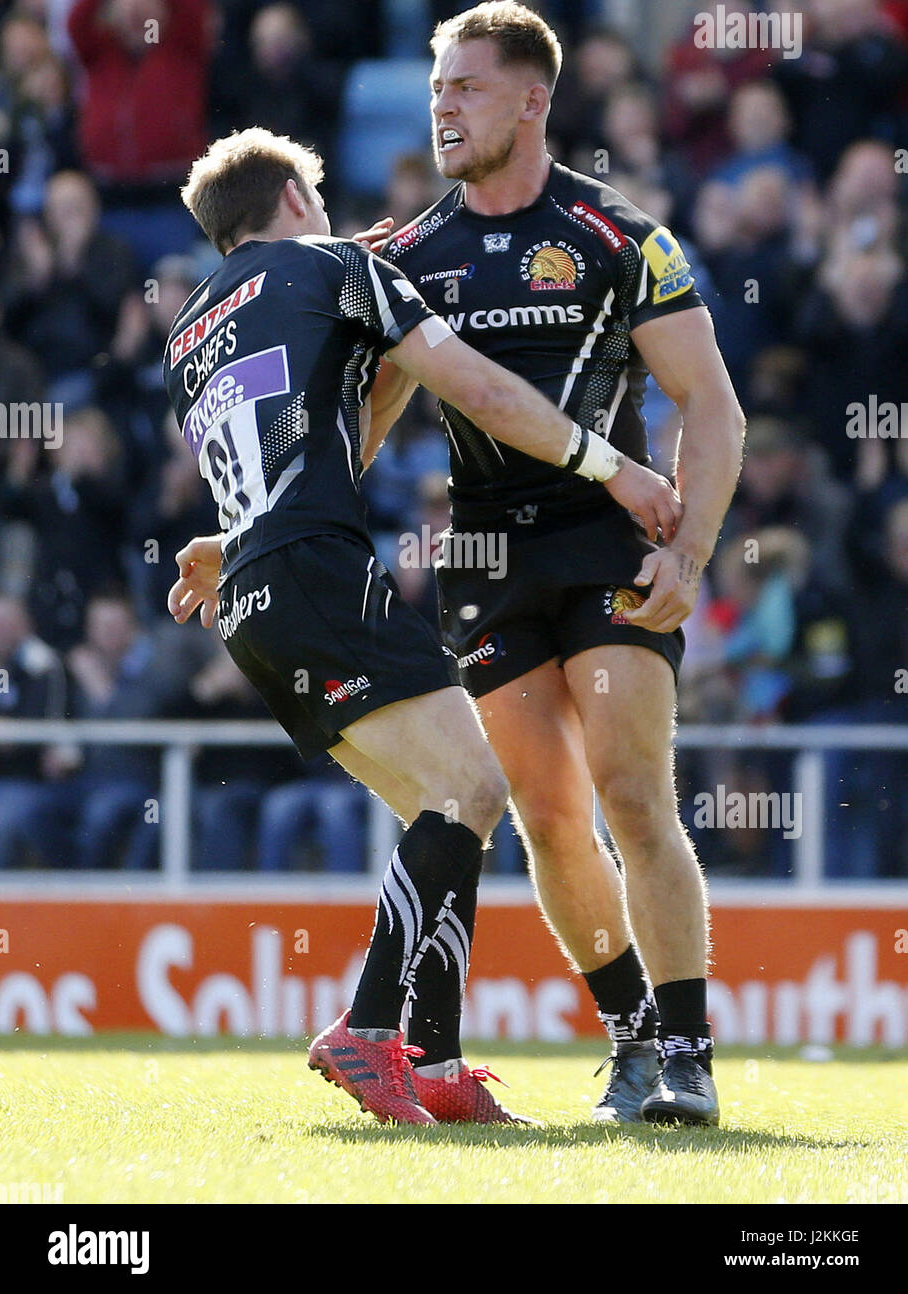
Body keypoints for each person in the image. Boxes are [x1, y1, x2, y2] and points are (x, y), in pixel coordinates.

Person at [164, 127, 681, 1126]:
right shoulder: (338, 266)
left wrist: (228, 545)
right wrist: (609, 464)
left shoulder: (195, 321)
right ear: (296, 201)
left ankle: (431, 1061)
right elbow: (478, 389)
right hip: (319, 570)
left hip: (254, 599)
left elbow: (310, 444)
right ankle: (367, 1026)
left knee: (449, 809)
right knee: (473, 787)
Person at [369, 1, 745, 1126]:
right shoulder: (407, 257)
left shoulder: (615, 234)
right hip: (484, 557)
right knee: (543, 815)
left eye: (467, 86)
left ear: (533, 99)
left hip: (607, 543)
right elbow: (364, 431)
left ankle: (687, 1054)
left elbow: (710, 407)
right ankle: (629, 1035)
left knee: (632, 792)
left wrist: (688, 551)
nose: (444, 105)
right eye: (437, 87)